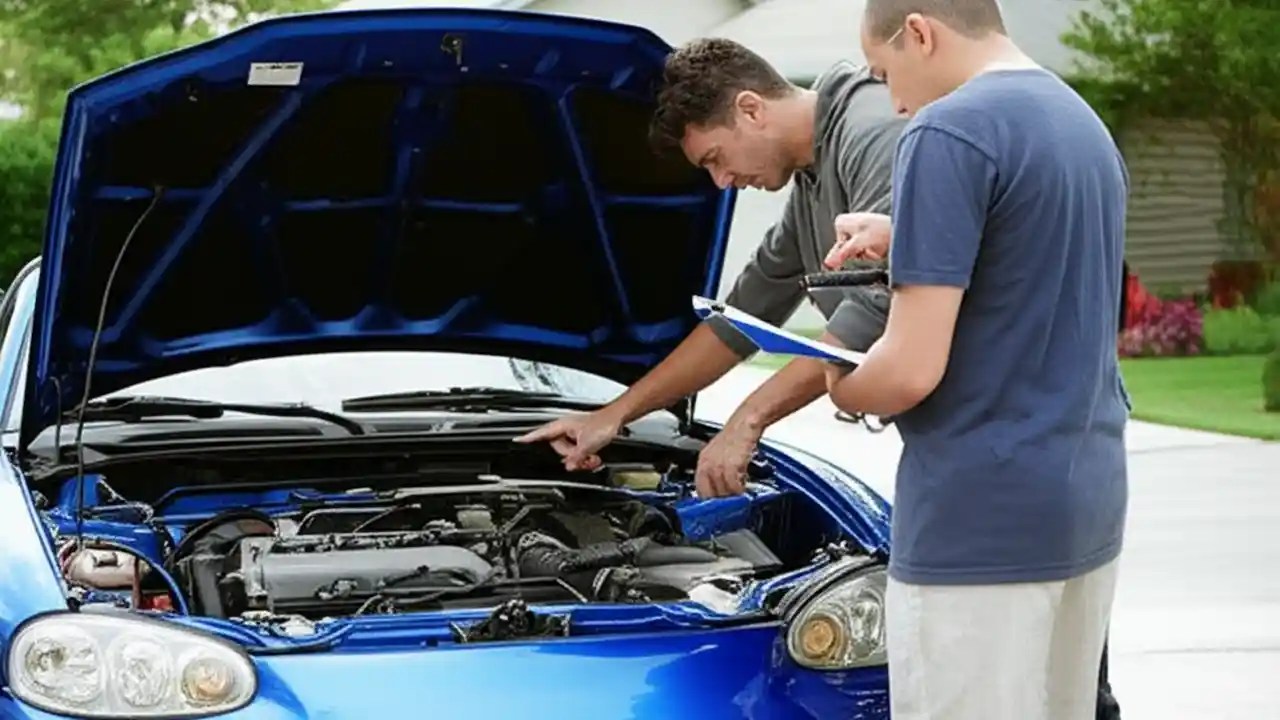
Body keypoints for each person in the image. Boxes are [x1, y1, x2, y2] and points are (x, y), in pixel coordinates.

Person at [816, 1, 1131, 718]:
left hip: (980, 523)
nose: (893, 101)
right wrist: (906, 232)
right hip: (1084, 502)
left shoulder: (946, 128)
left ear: (920, 32)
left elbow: (908, 370)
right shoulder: (1082, 123)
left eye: (886, 72)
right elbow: (1033, 262)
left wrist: (840, 381)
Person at [514, 38, 907, 499]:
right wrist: (612, 416)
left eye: (715, 159)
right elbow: (738, 322)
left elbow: (873, 311)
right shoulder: (810, 178)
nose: (722, 183)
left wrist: (748, 420)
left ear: (750, 109)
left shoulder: (875, 131)